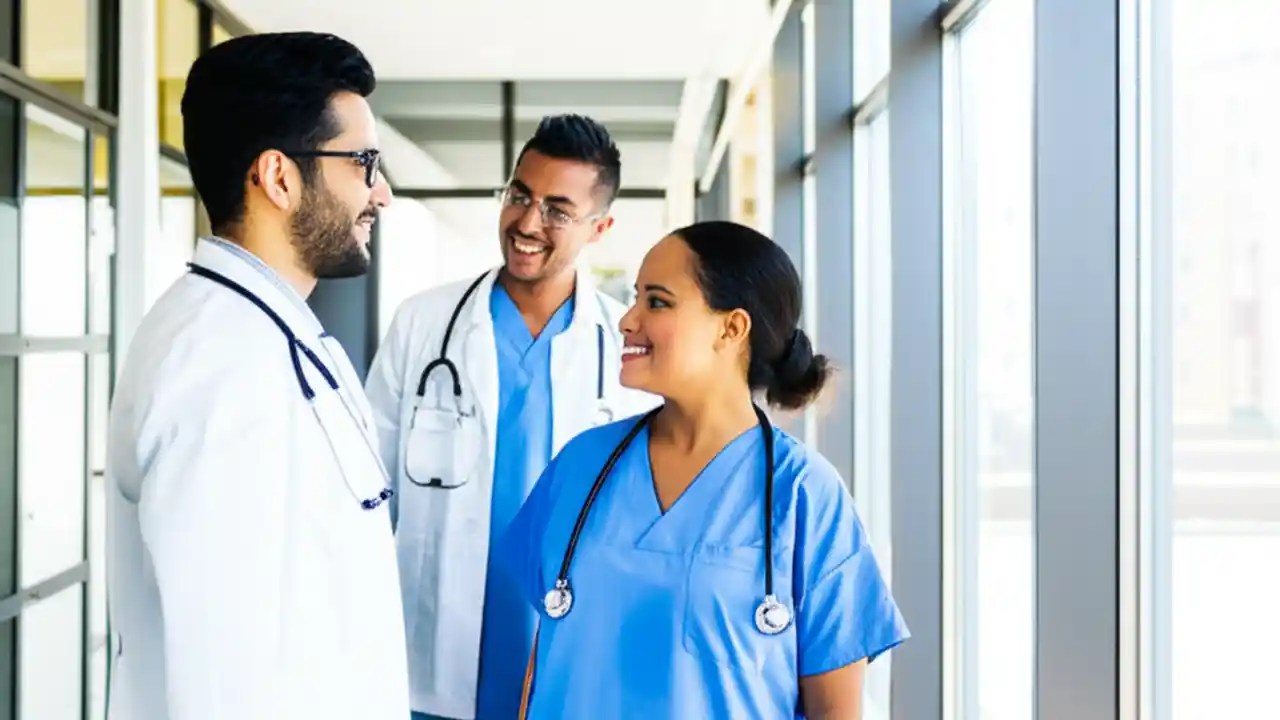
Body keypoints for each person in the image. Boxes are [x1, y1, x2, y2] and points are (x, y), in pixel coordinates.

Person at [104, 32, 409, 719]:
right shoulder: (220, 366)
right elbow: (224, 674)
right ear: (278, 177)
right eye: (364, 163)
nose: (381, 193)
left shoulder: (270, 335)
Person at [499, 220, 910, 719]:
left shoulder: (803, 493)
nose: (627, 320)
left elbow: (836, 711)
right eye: (635, 298)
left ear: (731, 328)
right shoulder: (582, 467)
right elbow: (542, 664)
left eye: (657, 302)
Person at [364, 114, 659, 720]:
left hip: (570, 669)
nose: (527, 223)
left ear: (600, 227)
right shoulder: (423, 324)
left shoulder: (625, 347)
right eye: (519, 196)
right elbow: (368, 495)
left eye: (558, 210)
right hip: (431, 668)